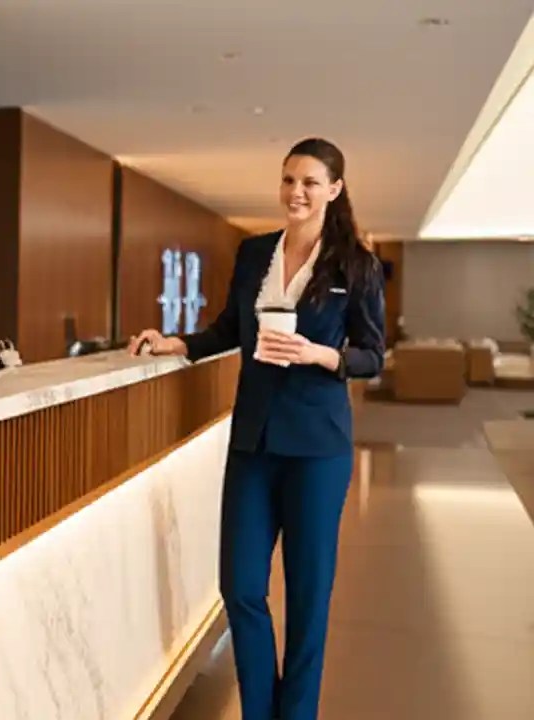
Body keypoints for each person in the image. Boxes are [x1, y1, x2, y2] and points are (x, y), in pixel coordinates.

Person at [128, 138, 385, 720]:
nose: (297, 192)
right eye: (289, 180)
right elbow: (227, 329)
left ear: (335, 190)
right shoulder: (253, 254)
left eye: (310, 183)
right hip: (253, 442)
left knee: (307, 598)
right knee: (241, 587)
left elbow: (373, 355)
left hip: (318, 448)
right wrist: (179, 343)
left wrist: (320, 354)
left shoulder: (356, 266)